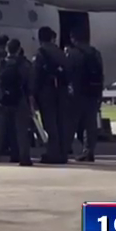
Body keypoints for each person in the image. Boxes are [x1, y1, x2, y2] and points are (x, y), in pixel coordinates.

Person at [0, 38, 35, 166]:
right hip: (19, 100)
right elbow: (30, 85)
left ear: (6, 50)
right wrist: (32, 105)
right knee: (22, 131)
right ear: (19, 50)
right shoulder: (25, 65)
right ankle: (24, 158)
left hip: (2, 101)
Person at [31, 26, 72, 164]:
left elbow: (36, 75)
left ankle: (53, 153)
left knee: (50, 123)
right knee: (61, 122)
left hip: (46, 92)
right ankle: (63, 152)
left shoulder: (41, 53)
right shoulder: (61, 53)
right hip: (61, 91)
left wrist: (33, 94)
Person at [65, 30, 105, 162]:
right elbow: (101, 73)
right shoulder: (95, 53)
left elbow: (67, 72)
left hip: (77, 92)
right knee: (90, 124)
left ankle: (64, 149)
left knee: (71, 122)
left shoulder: (72, 53)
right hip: (93, 92)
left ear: (73, 38)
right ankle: (89, 151)